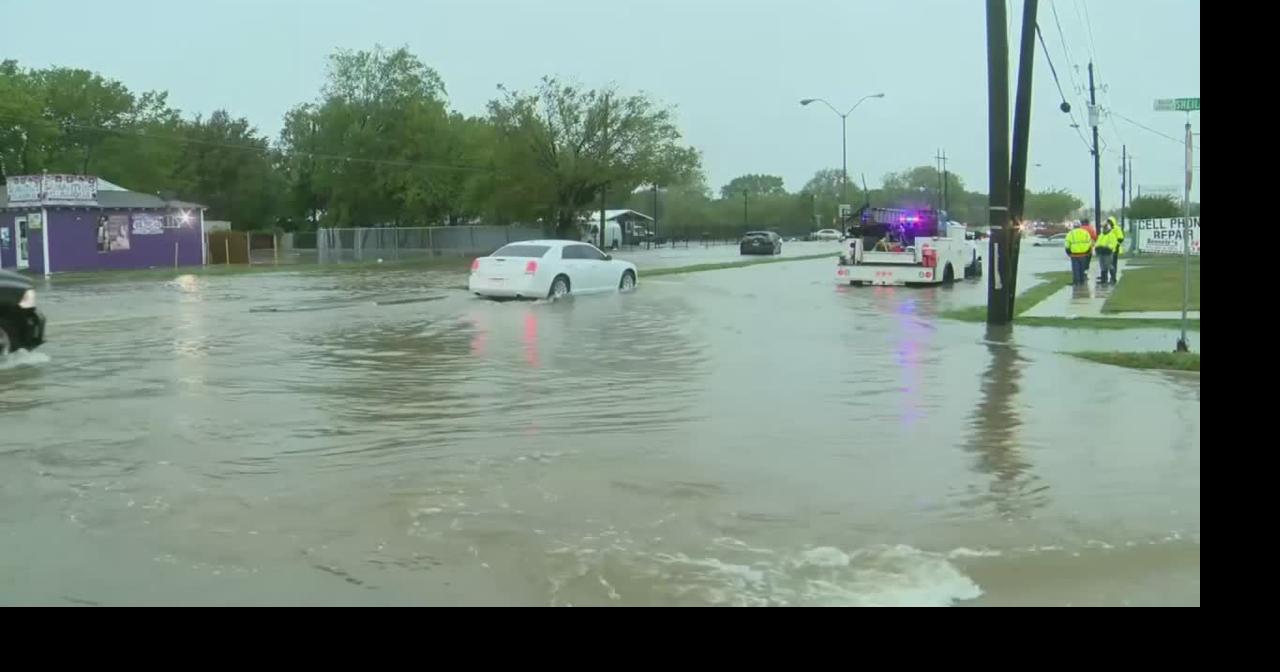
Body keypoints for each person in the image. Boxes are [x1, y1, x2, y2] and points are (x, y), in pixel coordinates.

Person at [1107, 215, 1124, 281]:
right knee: (1109, 263)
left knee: (1113, 263)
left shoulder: (1116, 228)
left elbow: (1120, 238)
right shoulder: (1108, 229)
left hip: (1115, 249)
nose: (1108, 223)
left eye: (1110, 222)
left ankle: (1113, 277)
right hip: (1108, 249)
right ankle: (1112, 276)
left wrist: (1117, 246)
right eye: (1108, 222)